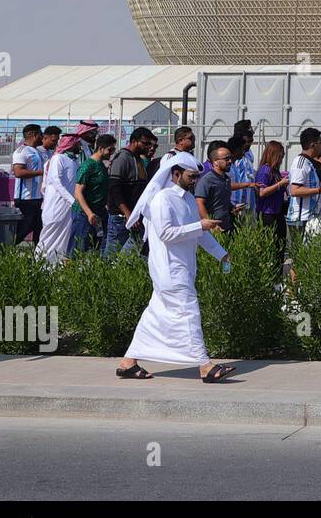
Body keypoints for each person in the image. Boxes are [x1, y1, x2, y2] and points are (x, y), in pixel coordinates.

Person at [117, 152, 237, 383]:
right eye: (191, 176)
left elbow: (199, 233)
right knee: (189, 313)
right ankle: (205, 366)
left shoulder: (188, 199)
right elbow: (166, 233)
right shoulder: (163, 199)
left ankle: (128, 363)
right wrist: (199, 225)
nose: (194, 181)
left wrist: (222, 255)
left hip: (182, 269)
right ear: (175, 174)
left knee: (155, 315)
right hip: (169, 270)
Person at [105, 128, 155, 256]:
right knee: (112, 256)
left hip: (135, 218)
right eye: (144, 143)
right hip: (121, 218)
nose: (147, 147)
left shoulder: (138, 159)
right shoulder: (122, 158)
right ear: (134, 141)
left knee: (130, 256)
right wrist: (128, 214)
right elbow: (114, 189)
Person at [285, 128, 321, 255]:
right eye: (320, 142)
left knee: (310, 258)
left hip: (311, 217)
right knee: (299, 258)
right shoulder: (300, 162)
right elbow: (294, 190)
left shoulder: (310, 163)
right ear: (313, 145)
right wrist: (319, 190)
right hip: (300, 218)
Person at [37, 135, 83, 265]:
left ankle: (54, 268)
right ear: (70, 145)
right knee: (48, 239)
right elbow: (55, 181)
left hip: (67, 208)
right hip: (55, 206)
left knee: (62, 240)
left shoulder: (73, 161)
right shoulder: (58, 159)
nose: (79, 147)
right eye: (77, 144)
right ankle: (39, 267)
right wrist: (71, 200)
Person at [71, 134, 116, 252]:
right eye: (110, 149)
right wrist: (89, 213)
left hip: (99, 212)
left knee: (97, 248)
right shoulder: (88, 166)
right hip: (85, 214)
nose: (112, 152)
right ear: (101, 149)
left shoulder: (101, 165)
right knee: (78, 250)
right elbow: (78, 193)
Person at [254, 139, 289, 270]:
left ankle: (277, 277)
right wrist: (280, 184)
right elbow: (261, 192)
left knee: (279, 247)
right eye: (280, 156)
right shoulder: (265, 171)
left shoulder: (275, 171)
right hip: (267, 214)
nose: (281, 160)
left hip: (277, 212)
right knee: (269, 248)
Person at [12, 124, 47, 243]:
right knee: (22, 230)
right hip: (26, 199)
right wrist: (41, 172)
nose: (42, 137)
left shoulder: (37, 151)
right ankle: (3, 252)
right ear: (34, 135)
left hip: (38, 198)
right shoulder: (21, 151)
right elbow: (18, 172)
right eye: (40, 134)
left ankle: (39, 256)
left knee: (39, 229)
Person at [196, 142, 242, 233]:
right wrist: (210, 225)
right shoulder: (207, 180)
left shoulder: (226, 179)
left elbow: (222, 201)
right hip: (214, 230)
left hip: (227, 226)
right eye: (226, 159)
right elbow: (199, 203)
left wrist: (232, 208)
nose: (230, 161)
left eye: (230, 158)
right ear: (215, 162)